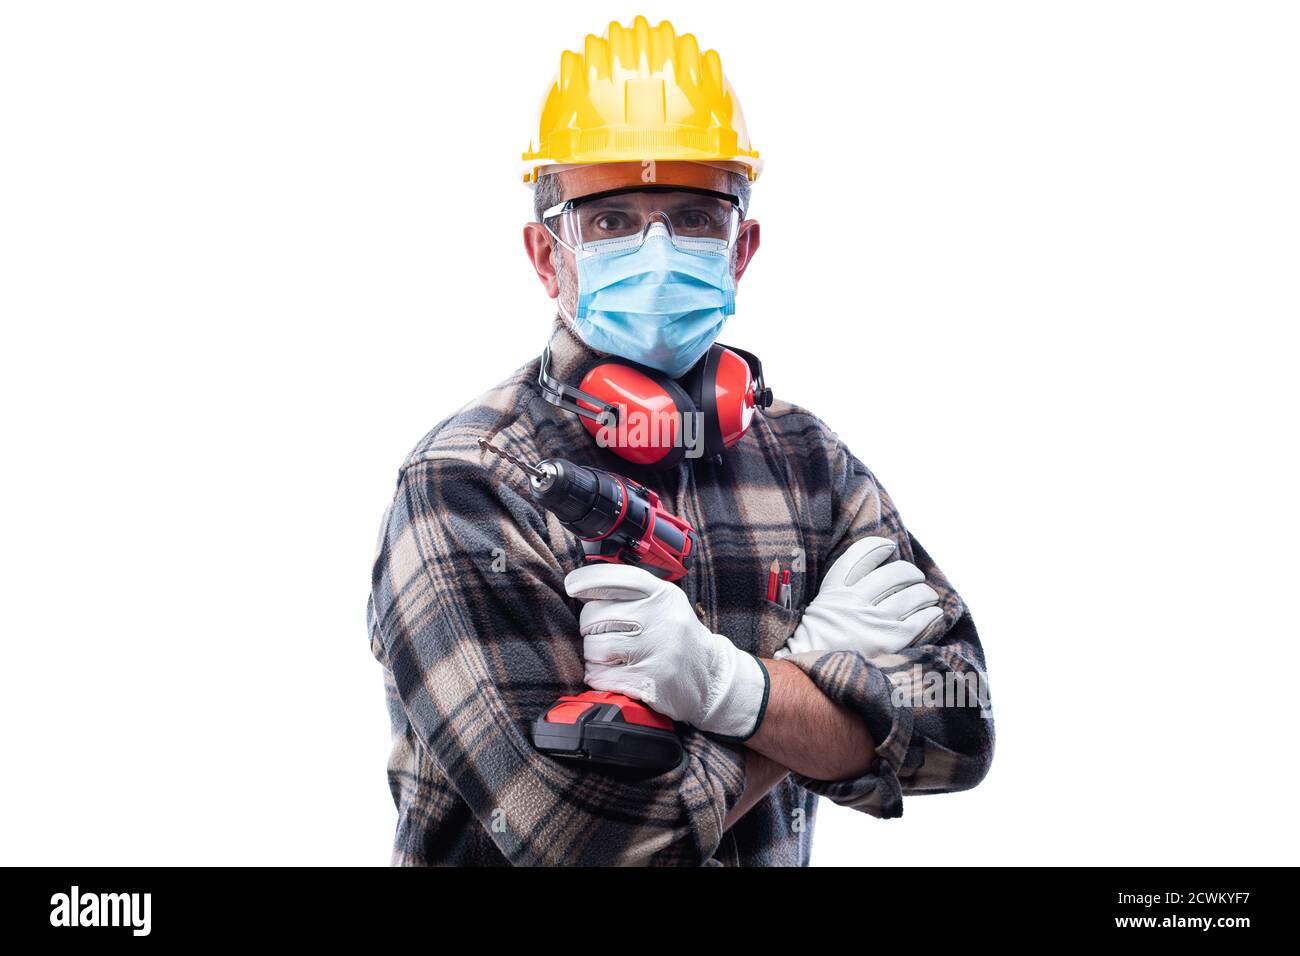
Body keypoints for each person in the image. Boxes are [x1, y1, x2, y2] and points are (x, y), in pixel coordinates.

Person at [367, 15, 993, 866]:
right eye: (612, 219)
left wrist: (733, 688)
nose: (657, 251)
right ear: (547, 257)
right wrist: (796, 685)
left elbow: (959, 725)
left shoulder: (807, 463)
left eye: (696, 217)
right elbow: (593, 846)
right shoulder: (468, 483)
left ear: (742, 251)